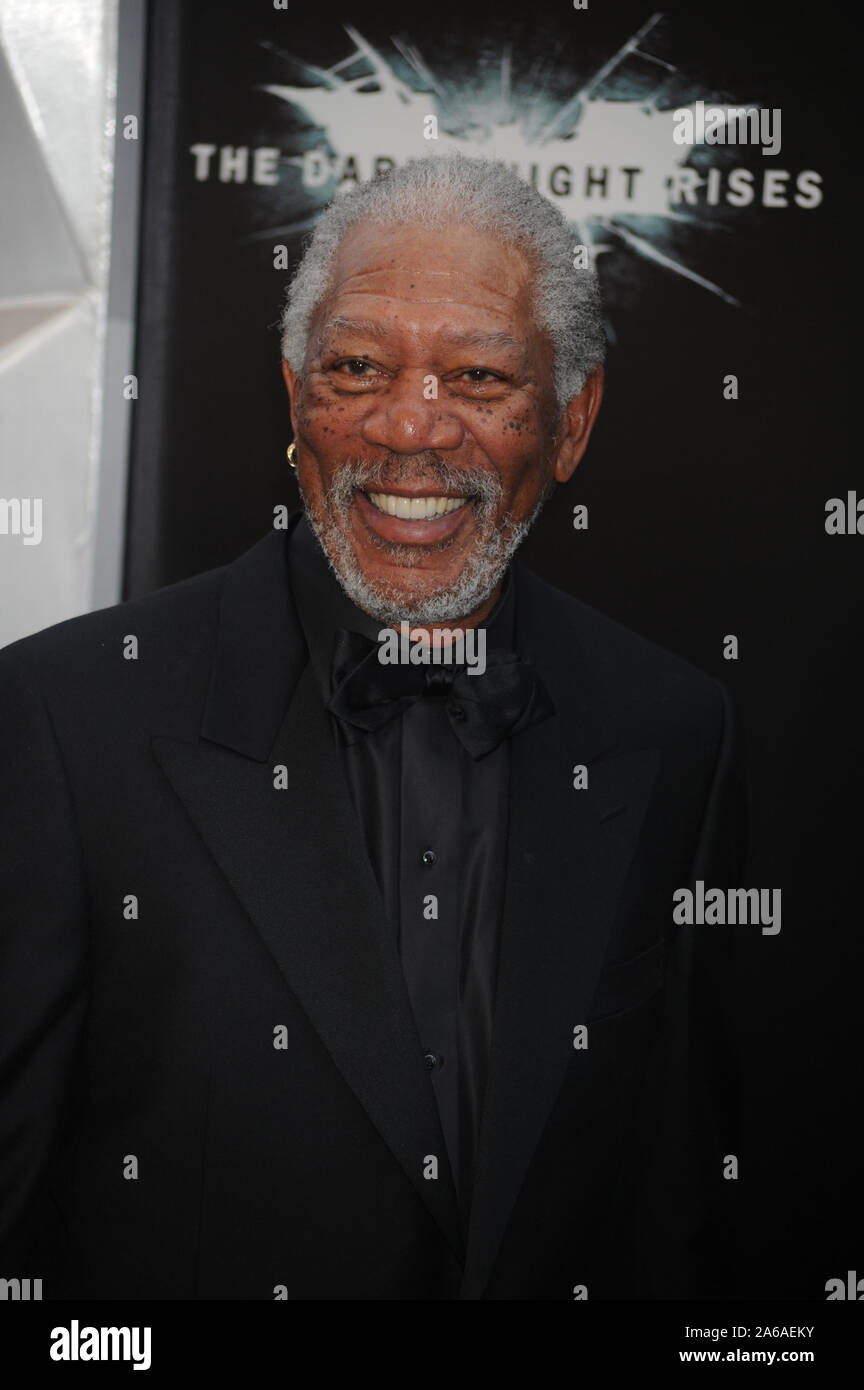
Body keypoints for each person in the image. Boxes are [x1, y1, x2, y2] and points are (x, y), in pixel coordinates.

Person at [0, 153, 746, 1300]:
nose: (410, 426)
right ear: (296, 395)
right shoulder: (64, 719)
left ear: (572, 423)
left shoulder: (673, 727)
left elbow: (678, 1193)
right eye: (356, 367)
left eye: (479, 377)